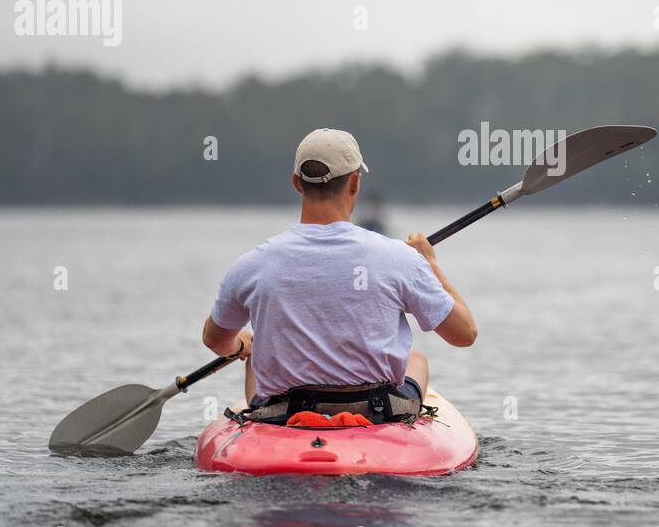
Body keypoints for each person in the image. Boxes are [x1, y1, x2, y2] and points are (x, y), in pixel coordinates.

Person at [200, 128, 477, 424]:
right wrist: (431, 265)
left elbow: (215, 340)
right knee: (417, 360)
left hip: (286, 414)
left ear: (296, 183)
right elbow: (464, 334)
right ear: (355, 182)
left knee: (257, 357)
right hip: (375, 410)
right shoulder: (401, 258)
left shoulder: (251, 264)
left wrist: (243, 344)